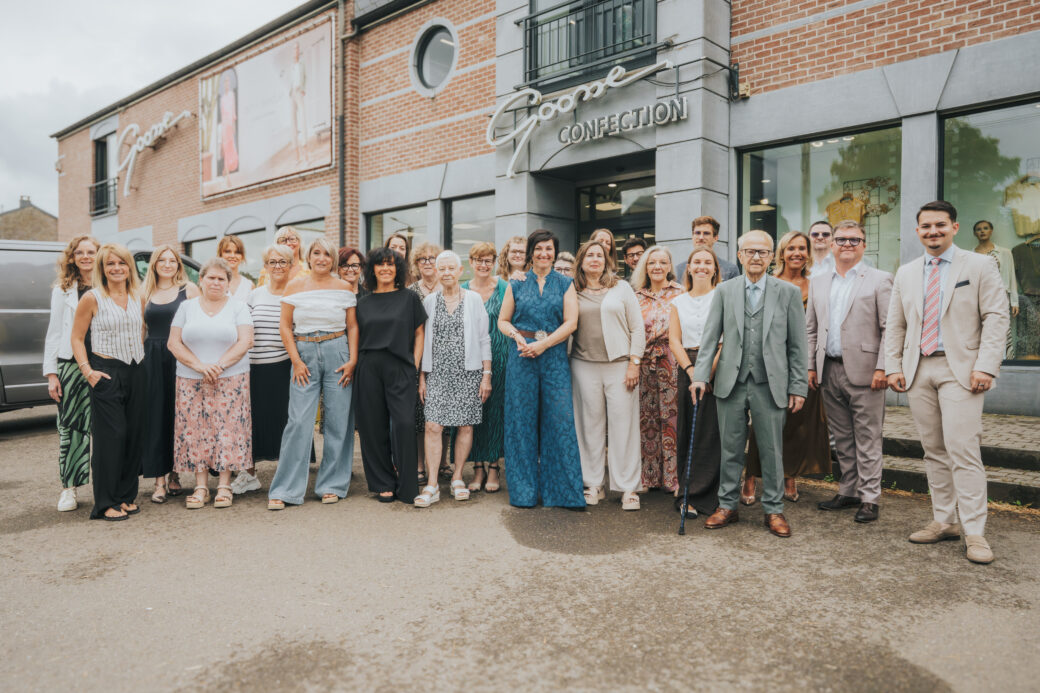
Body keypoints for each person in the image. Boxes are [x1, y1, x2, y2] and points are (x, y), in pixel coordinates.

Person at [886, 200, 1009, 564]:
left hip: (963, 371)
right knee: (934, 450)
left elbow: (996, 316)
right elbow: (896, 324)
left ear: (954, 227)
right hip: (919, 370)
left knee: (963, 451)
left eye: (940, 225)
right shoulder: (907, 272)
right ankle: (944, 521)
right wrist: (892, 365)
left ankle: (975, 532)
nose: (933, 232)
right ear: (917, 231)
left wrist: (986, 366)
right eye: (926, 226)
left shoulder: (980, 264)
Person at [692, 230, 808, 538]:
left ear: (772, 257)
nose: (756, 257)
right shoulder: (725, 291)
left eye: (762, 252)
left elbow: (798, 345)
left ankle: (773, 509)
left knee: (771, 449)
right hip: (731, 380)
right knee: (730, 448)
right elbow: (709, 338)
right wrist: (700, 375)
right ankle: (727, 506)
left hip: (771, 383)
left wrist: (798, 386)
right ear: (740, 255)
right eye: (750, 251)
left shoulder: (788, 293)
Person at [807, 221, 892, 523]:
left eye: (854, 240)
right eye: (841, 239)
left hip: (868, 372)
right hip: (829, 369)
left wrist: (883, 366)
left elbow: (889, 329)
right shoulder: (818, 281)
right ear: (831, 244)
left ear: (863, 245)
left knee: (868, 437)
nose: (846, 244)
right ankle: (848, 490)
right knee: (841, 437)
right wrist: (810, 366)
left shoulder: (880, 280)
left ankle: (869, 497)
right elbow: (811, 329)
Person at [267, 239, 358, 509]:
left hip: (337, 352)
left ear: (333, 260)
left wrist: (352, 359)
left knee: (338, 422)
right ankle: (285, 490)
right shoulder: (294, 285)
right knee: (298, 421)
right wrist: (295, 360)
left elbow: (352, 326)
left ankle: (332, 484)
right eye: (316, 253)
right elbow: (285, 326)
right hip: (304, 353)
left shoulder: (344, 287)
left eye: (327, 254)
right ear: (308, 257)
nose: (321, 258)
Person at [497, 229, 584, 508]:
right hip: (521, 356)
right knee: (520, 423)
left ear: (554, 253)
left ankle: (561, 493)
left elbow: (571, 323)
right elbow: (503, 320)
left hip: (554, 357)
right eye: (539, 249)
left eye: (549, 249)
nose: (544, 254)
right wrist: (517, 337)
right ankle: (523, 493)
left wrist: (543, 346)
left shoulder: (565, 283)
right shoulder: (517, 283)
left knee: (559, 421)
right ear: (530, 252)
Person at [744, 231, 830, 503]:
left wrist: (810, 365)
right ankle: (750, 477)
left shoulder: (816, 285)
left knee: (795, 422)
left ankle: (788, 475)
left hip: (804, 361)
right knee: (761, 423)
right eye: (790, 248)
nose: (796, 253)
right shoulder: (769, 283)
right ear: (780, 253)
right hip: (769, 364)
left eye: (802, 248)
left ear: (808, 253)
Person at [167, 258, 254, 510]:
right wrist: (200, 366)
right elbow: (173, 343)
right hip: (190, 378)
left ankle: (225, 486)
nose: (216, 282)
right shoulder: (186, 307)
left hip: (231, 377)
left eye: (221, 279)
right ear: (200, 280)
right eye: (211, 278)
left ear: (228, 283)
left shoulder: (238, 307)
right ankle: (201, 486)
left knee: (227, 430)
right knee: (195, 431)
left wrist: (219, 365)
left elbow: (245, 340)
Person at [70, 243, 146, 521]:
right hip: (106, 372)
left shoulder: (138, 296)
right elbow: (77, 338)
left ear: (129, 267)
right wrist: (88, 371)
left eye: (122, 263)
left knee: (133, 435)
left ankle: (125, 496)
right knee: (111, 437)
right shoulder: (92, 298)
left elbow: (141, 331)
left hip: (137, 370)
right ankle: (105, 502)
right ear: (102, 268)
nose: (116, 268)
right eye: (110, 264)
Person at [569, 241, 645, 510]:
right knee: (589, 427)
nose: (594, 259)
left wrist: (634, 362)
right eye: (589, 255)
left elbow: (638, 328)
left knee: (623, 428)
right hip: (582, 365)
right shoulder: (572, 289)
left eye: (599, 255)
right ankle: (593, 484)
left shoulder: (621, 287)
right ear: (581, 260)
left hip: (620, 365)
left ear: (607, 260)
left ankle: (628, 488)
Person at [415, 251, 493, 506]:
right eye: (442, 268)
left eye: (451, 268)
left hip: (468, 373)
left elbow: (484, 339)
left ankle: (458, 477)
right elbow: (423, 342)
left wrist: (486, 376)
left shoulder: (473, 300)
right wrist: (422, 378)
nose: (446, 272)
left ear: (460, 272)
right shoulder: (429, 302)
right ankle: (432, 484)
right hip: (437, 373)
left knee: (465, 426)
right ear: (436, 272)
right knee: (433, 426)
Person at [355, 247, 427, 503]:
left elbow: (419, 334)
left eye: (391, 264)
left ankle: (408, 485)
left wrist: (414, 365)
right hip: (369, 367)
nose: (385, 268)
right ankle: (382, 482)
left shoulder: (409, 298)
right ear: (372, 269)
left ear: (398, 269)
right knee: (372, 427)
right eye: (380, 264)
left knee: (404, 425)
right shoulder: (362, 303)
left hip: (400, 367)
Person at [232, 244, 295, 495]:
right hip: (252, 367)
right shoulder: (255, 295)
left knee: (283, 422)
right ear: (266, 266)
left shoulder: (294, 295)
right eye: (272, 262)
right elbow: (243, 330)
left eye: (282, 262)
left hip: (282, 367)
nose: (277, 266)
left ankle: (285, 477)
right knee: (248, 423)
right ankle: (249, 475)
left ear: (291, 265)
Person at [141, 245, 200, 503]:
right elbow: (142, 329)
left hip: (180, 356)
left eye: (172, 260)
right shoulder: (146, 292)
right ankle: (159, 481)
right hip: (152, 358)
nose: (167, 264)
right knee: (155, 417)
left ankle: (176, 474)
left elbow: (199, 324)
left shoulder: (189, 290)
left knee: (179, 416)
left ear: (179, 264)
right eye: (162, 260)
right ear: (154, 264)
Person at [44, 235, 98, 512]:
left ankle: (106, 486)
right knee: (71, 430)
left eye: (91, 252)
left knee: (105, 429)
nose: (86, 256)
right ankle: (69, 489)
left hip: (103, 364)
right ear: (73, 257)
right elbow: (54, 332)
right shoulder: (63, 290)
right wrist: (52, 374)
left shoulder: (109, 286)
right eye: (80, 252)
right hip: (71, 366)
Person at [667, 247, 723, 518]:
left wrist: (706, 373)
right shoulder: (678, 302)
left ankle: (713, 494)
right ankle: (687, 493)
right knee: (689, 428)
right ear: (688, 268)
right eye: (696, 262)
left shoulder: (722, 297)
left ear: (715, 269)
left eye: (707, 262)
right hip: (687, 365)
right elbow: (674, 341)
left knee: (712, 430)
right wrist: (691, 372)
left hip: (717, 363)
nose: (702, 266)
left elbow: (725, 339)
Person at [631, 245, 684, 492]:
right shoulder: (636, 296)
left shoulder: (680, 294)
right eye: (652, 263)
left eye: (663, 262)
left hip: (671, 361)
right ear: (645, 266)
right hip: (643, 363)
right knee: (646, 420)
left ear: (669, 266)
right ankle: (648, 477)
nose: (657, 267)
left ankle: (672, 478)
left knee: (672, 420)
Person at [461, 242, 507, 493]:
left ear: (494, 262)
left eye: (488, 260)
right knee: (473, 414)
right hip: (471, 359)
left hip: (500, 358)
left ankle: (493, 468)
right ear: (471, 262)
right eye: (478, 260)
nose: (483, 264)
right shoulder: (462, 289)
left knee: (495, 413)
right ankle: (476, 467)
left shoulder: (504, 288)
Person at [408, 241, 443, 482]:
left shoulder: (450, 287)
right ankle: (420, 464)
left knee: (445, 412)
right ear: (416, 264)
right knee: (420, 414)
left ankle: (443, 463)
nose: (428, 263)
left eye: (432, 259)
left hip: (446, 358)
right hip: (419, 356)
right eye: (423, 259)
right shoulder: (411, 291)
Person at [972, 220, 1018, 357]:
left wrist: (1014, 301)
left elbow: (1011, 276)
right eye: (979, 229)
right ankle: (983, 360)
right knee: (979, 329)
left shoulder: (1004, 252)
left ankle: (1005, 360)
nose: (982, 231)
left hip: (1000, 296)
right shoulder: (970, 254)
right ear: (975, 233)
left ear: (991, 231)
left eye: (985, 228)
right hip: (978, 297)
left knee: (1002, 328)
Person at [675, 216, 740, 281]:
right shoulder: (679, 270)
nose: (701, 237)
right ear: (692, 236)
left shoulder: (730, 270)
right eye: (697, 233)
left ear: (715, 238)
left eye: (706, 233)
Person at [217, 235, 254, 302]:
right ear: (220, 255)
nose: (232, 256)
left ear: (242, 256)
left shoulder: (249, 285)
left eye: (237, 252)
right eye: (228, 251)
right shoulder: (214, 282)